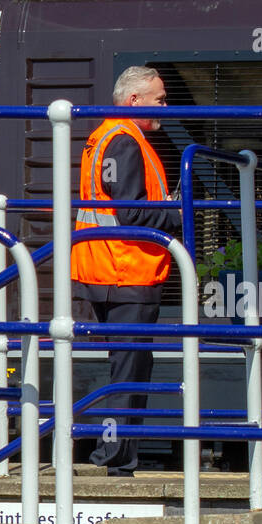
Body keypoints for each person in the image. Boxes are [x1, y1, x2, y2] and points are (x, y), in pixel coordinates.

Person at [70, 65, 178, 475]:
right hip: (125, 270)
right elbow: (133, 213)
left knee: (126, 365)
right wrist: (178, 213)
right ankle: (112, 458)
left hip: (108, 267)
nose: (165, 108)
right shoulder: (125, 142)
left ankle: (117, 456)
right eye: (160, 99)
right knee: (129, 367)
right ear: (134, 100)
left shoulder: (105, 136)